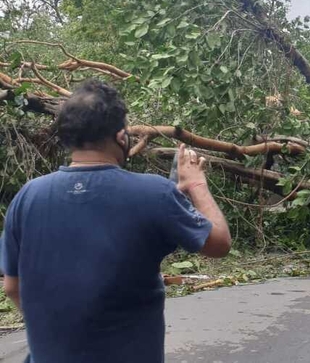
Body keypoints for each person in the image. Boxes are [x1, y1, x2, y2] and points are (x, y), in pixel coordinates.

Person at [1, 80, 231, 362]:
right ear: (122, 137)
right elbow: (219, 244)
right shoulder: (153, 192)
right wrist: (195, 184)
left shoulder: (27, 197)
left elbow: (12, 287)